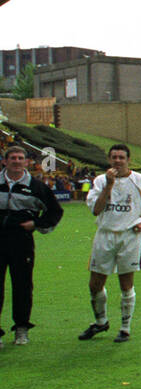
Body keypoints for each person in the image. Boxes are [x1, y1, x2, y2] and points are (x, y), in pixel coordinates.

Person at [78, 144, 141, 343]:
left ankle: (125, 328)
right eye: (114, 157)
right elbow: (96, 210)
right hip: (104, 235)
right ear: (109, 159)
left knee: (126, 284)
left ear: (128, 160)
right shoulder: (100, 181)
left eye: (121, 157)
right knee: (95, 284)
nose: (117, 161)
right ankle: (101, 322)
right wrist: (109, 186)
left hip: (130, 236)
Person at [0, 145, 64, 346]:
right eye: (13, 158)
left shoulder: (36, 187)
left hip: (21, 242)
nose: (16, 161)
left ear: (27, 162)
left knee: (22, 285)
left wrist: (36, 224)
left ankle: (21, 328)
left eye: (20, 158)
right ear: (5, 161)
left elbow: (55, 211)